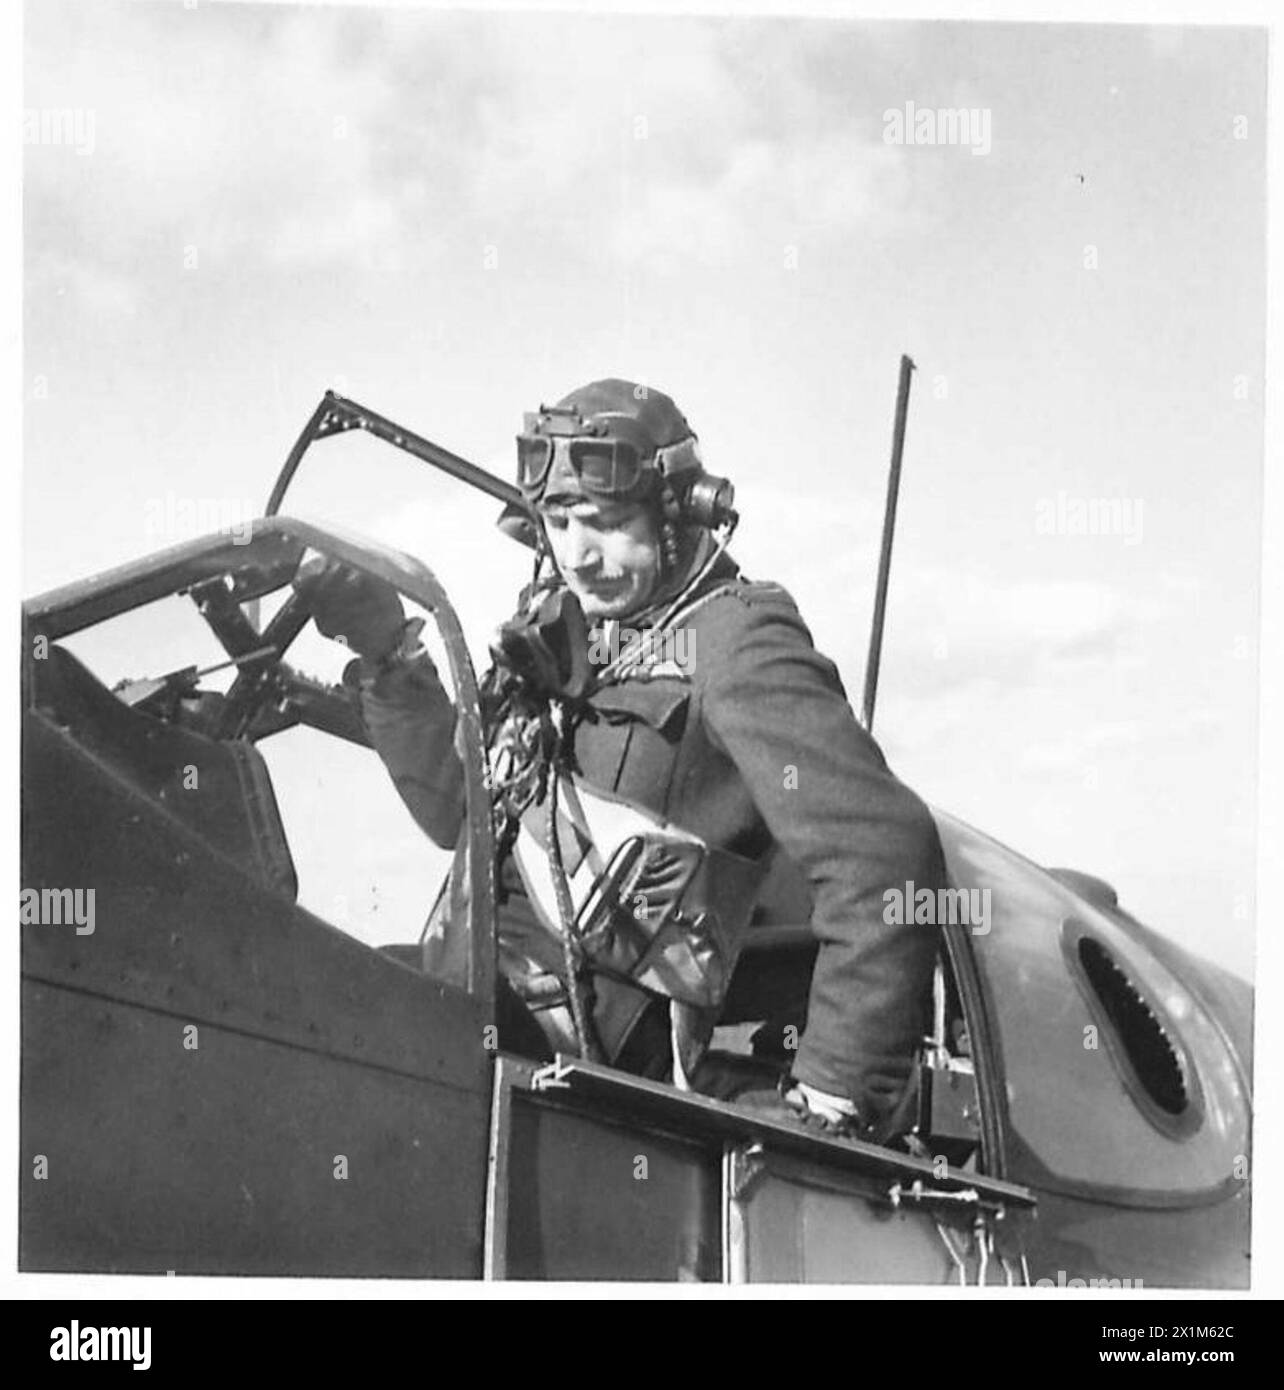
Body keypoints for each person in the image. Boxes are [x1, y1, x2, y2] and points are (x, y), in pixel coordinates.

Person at [298, 378, 946, 1142]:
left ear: (676, 516)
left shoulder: (732, 639)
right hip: (476, 1021)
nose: (578, 554)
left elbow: (885, 849)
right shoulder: (570, 637)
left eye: (606, 523)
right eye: (560, 521)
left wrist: (830, 1102)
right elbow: (455, 813)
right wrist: (386, 651)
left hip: (583, 1089)